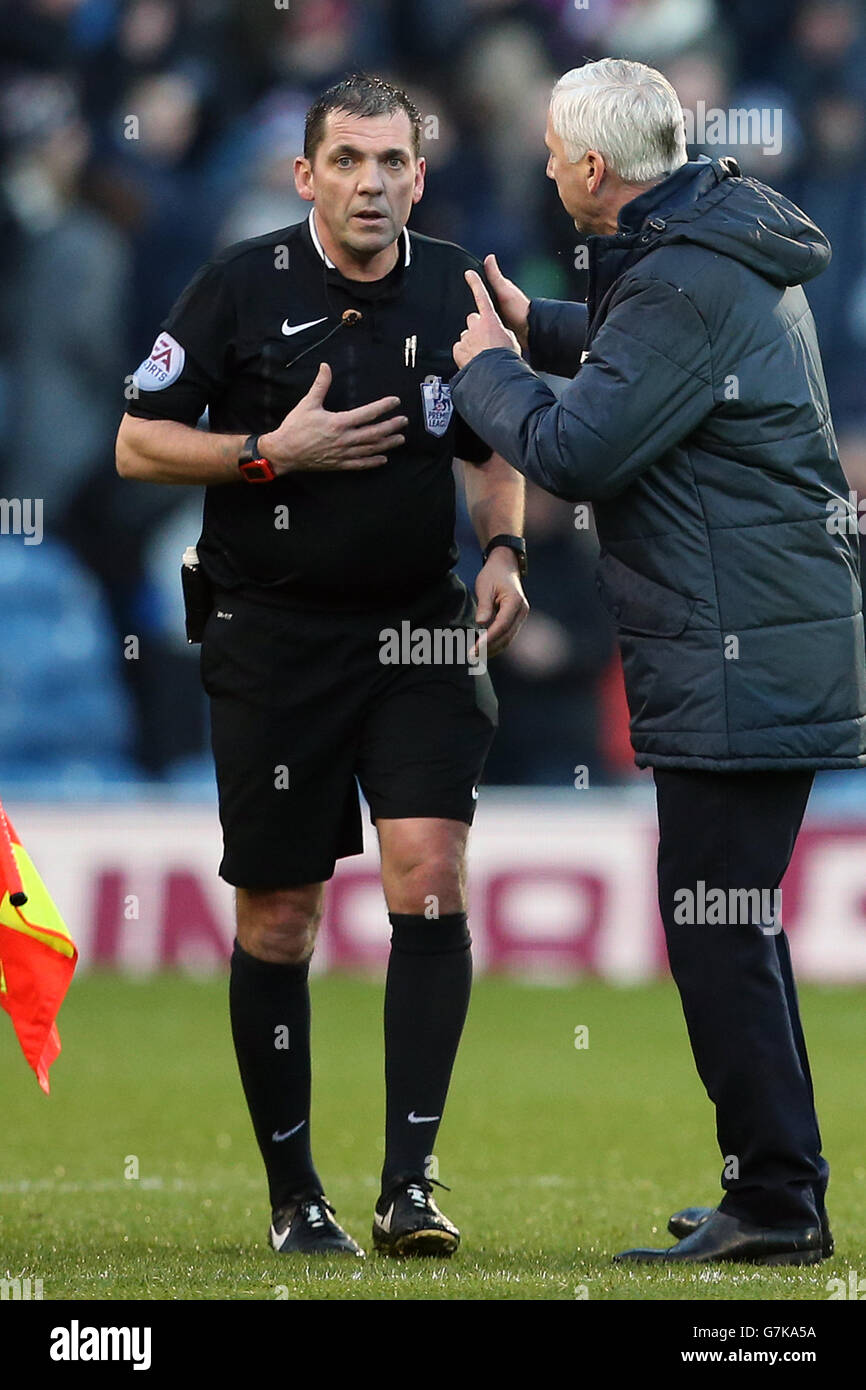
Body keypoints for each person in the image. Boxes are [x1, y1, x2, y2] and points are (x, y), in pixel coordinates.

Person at [450, 57, 866, 1266]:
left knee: (716, 926)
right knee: (730, 922)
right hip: (757, 640)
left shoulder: (680, 273)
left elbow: (575, 449)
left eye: (549, 150)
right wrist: (546, 326)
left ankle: (778, 1205)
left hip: (743, 651)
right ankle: (776, 1186)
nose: (539, 168)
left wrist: (488, 365)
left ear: (591, 166)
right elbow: (661, 350)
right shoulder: (708, 240)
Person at [116, 73, 528, 1259]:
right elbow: (137, 442)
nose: (371, 183)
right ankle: (296, 1197)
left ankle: (410, 1183)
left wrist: (500, 542)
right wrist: (266, 451)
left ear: (419, 172)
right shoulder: (238, 283)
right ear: (306, 175)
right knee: (282, 919)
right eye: (346, 161)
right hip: (272, 636)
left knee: (429, 875)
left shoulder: (455, 283)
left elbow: (488, 436)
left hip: (417, 631)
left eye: (391, 162)